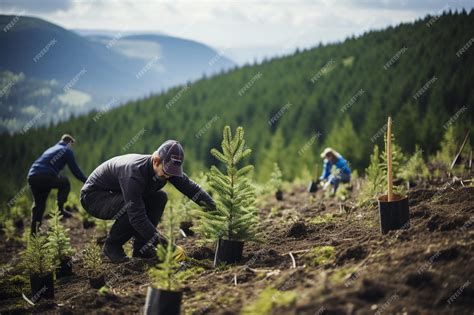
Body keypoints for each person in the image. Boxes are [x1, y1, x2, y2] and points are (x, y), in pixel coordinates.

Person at [80, 140, 216, 263]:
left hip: (116, 193)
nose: (168, 176)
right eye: (166, 172)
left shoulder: (167, 168)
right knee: (131, 207)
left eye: (172, 173)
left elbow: (191, 189)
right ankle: (112, 246)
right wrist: (168, 248)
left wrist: (217, 212)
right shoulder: (133, 173)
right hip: (94, 197)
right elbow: (137, 218)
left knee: (159, 198)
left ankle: (141, 248)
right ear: (156, 161)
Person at [28, 134, 88, 234]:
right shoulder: (67, 150)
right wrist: (88, 181)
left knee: (39, 205)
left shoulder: (52, 148)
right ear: (70, 142)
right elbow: (75, 170)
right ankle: (60, 209)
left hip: (32, 176)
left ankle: (34, 233)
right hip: (45, 176)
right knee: (65, 182)